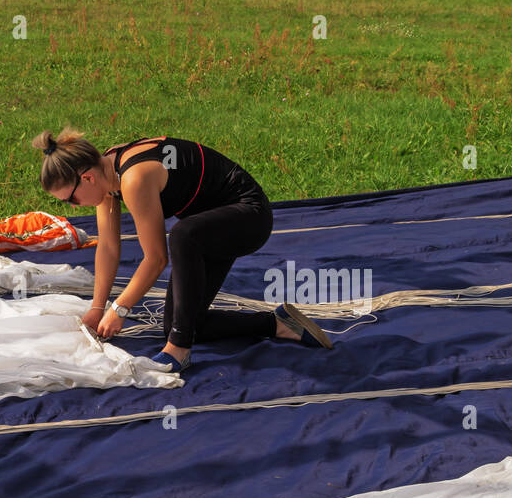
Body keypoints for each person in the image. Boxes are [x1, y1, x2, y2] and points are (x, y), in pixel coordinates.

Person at [32, 128, 333, 372]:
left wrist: (119, 308)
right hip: (210, 229)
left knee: (181, 236)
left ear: (87, 177)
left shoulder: (134, 178)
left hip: (248, 217)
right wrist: (97, 309)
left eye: (69, 199)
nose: (73, 206)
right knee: (181, 324)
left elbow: (156, 258)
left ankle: (179, 351)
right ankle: (279, 324)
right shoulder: (106, 175)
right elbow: (109, 248)